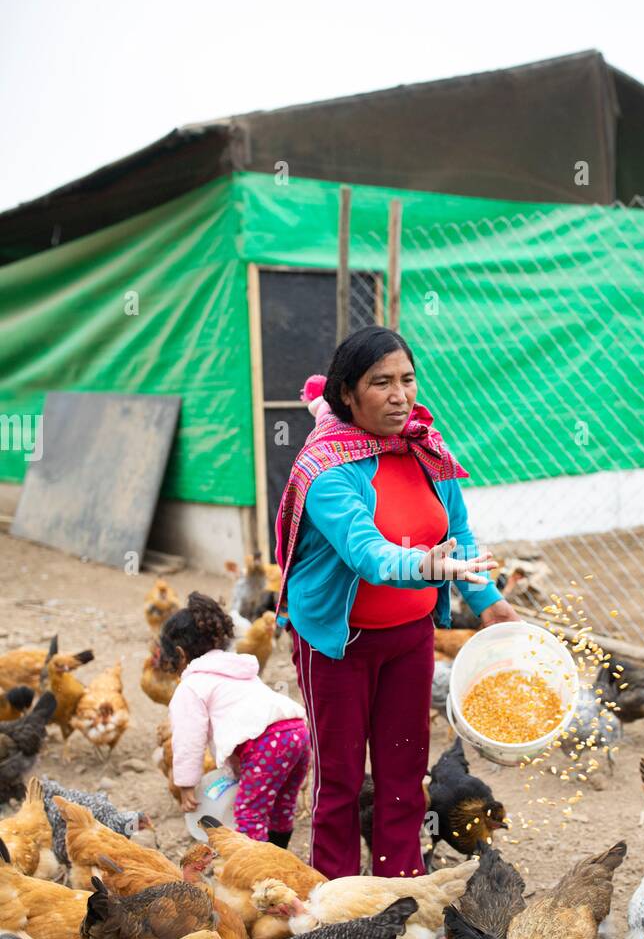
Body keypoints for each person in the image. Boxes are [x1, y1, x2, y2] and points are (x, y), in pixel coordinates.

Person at [274, 325, 519, 881]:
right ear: (347, 395)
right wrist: (424, 566)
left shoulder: (426, 448)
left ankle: (399, 886)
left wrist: (487, 601)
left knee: (405, 774)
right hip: (339, 642)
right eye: (380, 382)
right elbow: (369, 554)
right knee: (339, 780)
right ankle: (338, 899)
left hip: (410, 638)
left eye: (406, 380)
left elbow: (458, 531)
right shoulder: (326, 468)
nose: (399, 395)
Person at [162, 592, 310, 844]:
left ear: (179, 653)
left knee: (249, 814)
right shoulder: (236, 668)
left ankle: (255, 873)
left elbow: (189, 739)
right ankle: (280, 859)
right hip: (297, 732)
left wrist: (186, 783)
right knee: (281, 805)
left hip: (267, 743)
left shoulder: (191, 686)